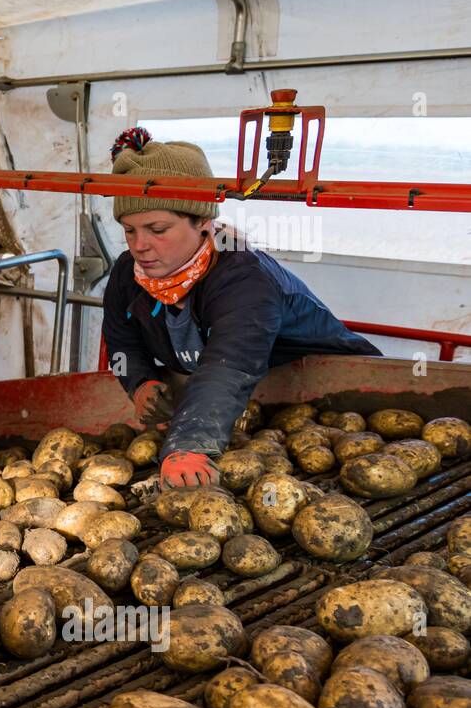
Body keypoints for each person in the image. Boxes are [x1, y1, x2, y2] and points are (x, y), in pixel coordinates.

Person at [100, 127, 380, 489]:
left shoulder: (243, 276)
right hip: (241, 406)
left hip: (332, 400)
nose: (140, 245)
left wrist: (189, 446)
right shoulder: (128, 273)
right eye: (129, 230)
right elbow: (121, 339)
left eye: (157, 229)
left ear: (202, 221)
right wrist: (140, 383)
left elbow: (229, 365)